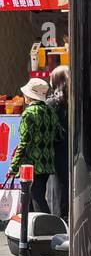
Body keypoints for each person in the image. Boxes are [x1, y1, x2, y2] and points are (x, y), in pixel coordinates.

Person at [10, 77, 61, 213]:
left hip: (31, 165)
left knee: (37, 199)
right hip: (47, 163)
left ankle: (48, 229)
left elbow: (24, 143)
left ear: (30, 96)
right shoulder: (50, 111)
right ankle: (31, 230)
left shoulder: (29, 114)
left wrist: (13, 167)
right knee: (34, 198)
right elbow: (59, 135)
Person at [46, 65, 70, 220]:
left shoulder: (51, 104)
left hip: (55, 149)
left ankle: (58, 219)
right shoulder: (75, 102)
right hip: (71, 148)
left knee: (56, 186)